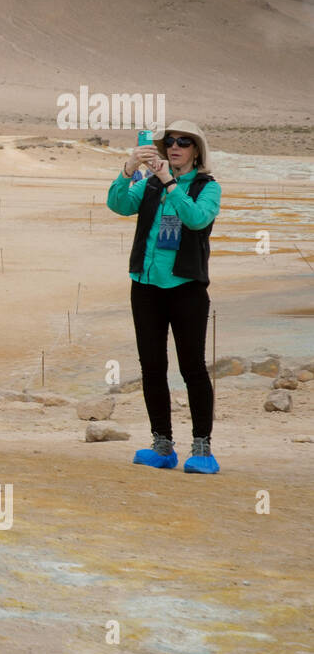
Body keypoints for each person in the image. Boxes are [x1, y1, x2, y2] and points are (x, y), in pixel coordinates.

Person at [106, 120, 222, 474]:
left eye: (183, 142)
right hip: (145, 286)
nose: (174, 147)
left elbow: (197, 219)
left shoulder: (207, 187)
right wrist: (129, 168)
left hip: (186, 288)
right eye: (169, 141)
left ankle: (201, 447)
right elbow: (119, 204)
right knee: (152, 367)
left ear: (196, 150)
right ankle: (162, 444)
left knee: (193, 368)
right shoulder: (150, 183)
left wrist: (171, 184)